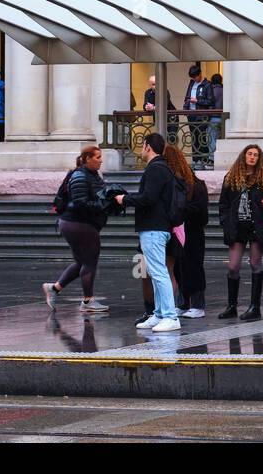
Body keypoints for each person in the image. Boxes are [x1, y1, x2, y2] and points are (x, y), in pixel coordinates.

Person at [114, 132, 181, 333]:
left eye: (142, 146)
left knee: (159, 272)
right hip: (158, 227)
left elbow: (148, 198)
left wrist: (124, 199)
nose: (141, 150)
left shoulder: (156, 169)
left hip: (154, 227)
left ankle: (170, 316)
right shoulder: (162, 168)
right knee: (156, 271)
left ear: (148, 146)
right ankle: (159, 314)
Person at [44, 145, 117, 312]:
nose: (101, 160)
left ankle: (54, 288)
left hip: (79, 223)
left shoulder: (91, 175)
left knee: (81, 262)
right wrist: (102, 205)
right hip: (78, 224)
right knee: (90, 262)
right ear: (87, 159)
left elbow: (96, 195)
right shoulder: (79, 176)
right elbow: (80, 203)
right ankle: (87, 301)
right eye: (98, 157)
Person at [218, 144, 263, 321]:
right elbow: (223, 204)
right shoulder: (232, 177)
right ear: (244, 156)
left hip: (256, 226)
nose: (252, 157)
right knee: (233, 266)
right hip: (237, 226)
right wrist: (226, 223)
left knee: (255, 264)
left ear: (259, 159)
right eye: (249, 154)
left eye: (255, 155)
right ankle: (232, 305)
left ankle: (255, 307)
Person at [165, 143, 209, 318]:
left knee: (193, 266)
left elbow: (199, 210)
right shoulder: (184, 182)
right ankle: (183, 303)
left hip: (191, 230)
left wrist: (179, 211)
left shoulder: (193, 184)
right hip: (179, 229)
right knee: (179, 267)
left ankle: (198, 304)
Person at [183, 65, 216, 169]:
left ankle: (204, 160)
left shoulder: (207, 85)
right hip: (191, 115)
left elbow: (211, 101)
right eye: (192, 77)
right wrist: (185, 108)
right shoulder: (192, 83)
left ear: (200, 74)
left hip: (201, 116)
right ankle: (196, 160)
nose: (194, 79)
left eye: (195, 77)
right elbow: (187, 96)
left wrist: (197, 101)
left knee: (201, 137)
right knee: (194, 138)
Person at [207, 73, 224, 162]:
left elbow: (210, 104)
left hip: (214, 117)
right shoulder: (225, 90)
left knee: (211, 137)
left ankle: (213, 159)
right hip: (225, 118)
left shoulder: (212, 90)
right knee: (222, 138)